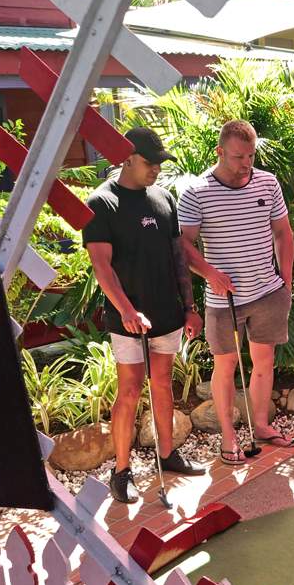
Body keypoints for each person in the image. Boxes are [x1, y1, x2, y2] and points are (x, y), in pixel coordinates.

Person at [83, 126, 205, 504]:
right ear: (127, 158)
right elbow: (102, 266)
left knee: (164, 382)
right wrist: (126, 310)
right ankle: (121, 472)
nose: (156, 168)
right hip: (127, 319)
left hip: (167, 312)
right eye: (149, 162)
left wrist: (189, 307)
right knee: (131, 389)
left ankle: (166, 454)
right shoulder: (102, 204)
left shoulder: (164, 199)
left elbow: (178, 257)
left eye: (158, 162)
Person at [179, 119, 294, 465]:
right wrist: (209, 273)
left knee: (264, 363)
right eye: (238, 157)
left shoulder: (267, 182)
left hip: (267, 293)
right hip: (223, 299)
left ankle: (261, 426)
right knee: (226, 366)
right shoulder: (197, 192)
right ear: (219, 152)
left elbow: (283, 233)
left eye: (251, 155)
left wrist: (285, 281)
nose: (246, 164)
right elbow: (184, 246)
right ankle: (229, 438)